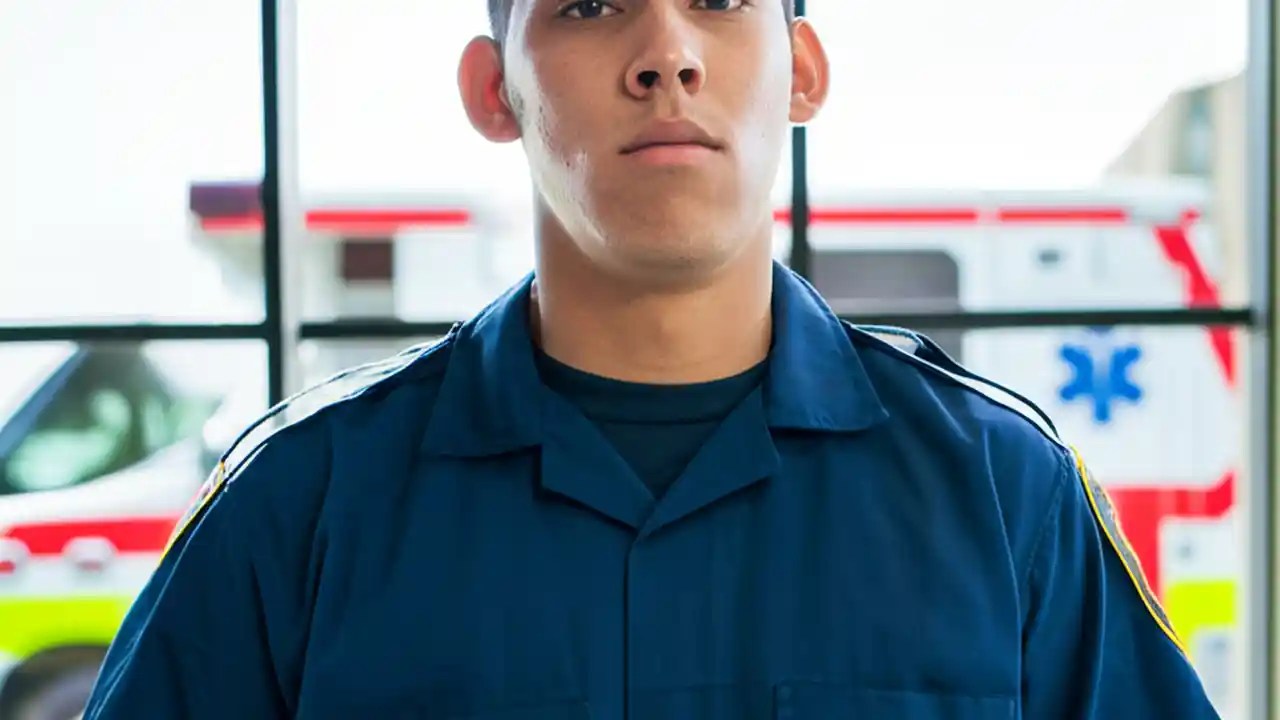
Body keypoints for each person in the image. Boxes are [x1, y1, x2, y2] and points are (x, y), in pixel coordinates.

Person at [84, 0, 1221, 717]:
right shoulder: (297, 507)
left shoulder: (1001, 491)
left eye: (719, 1)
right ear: (495, 90)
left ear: (803, 70)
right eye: (588, 4)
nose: (665, 53)